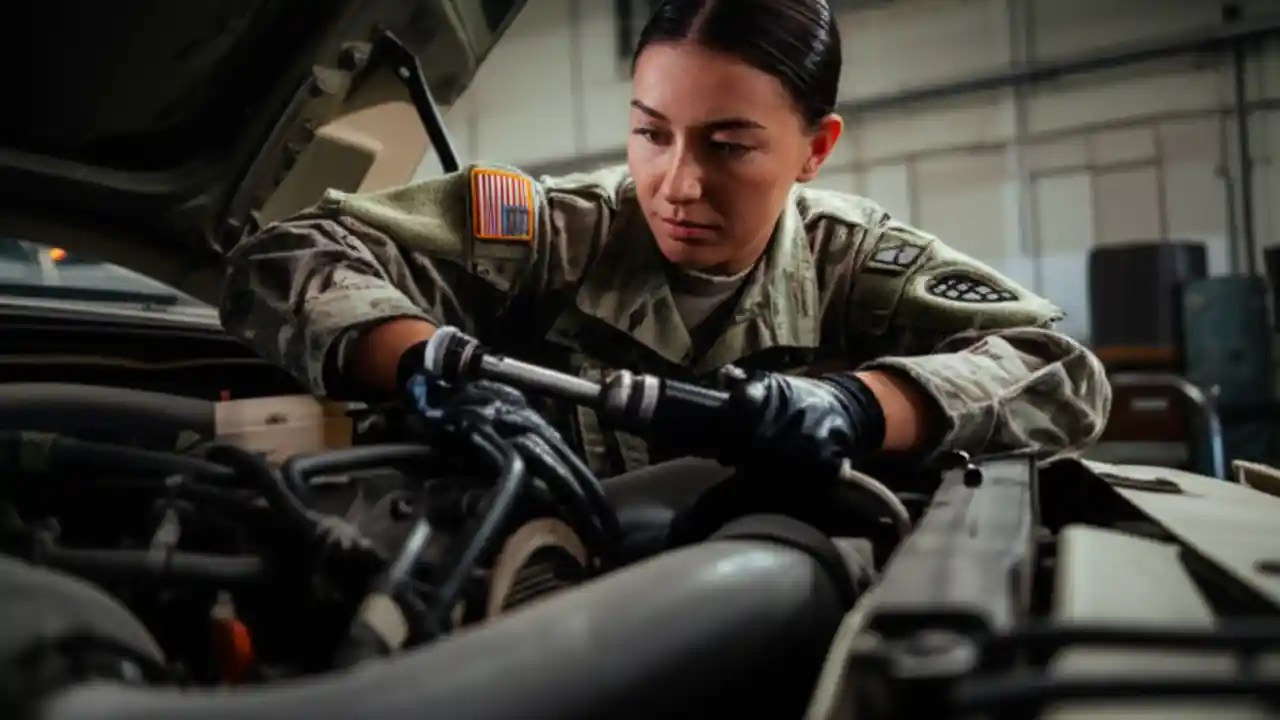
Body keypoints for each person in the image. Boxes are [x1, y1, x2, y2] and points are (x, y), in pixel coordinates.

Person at [219, 0, 1111, 484]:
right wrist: (425, 366)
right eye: (651, 134)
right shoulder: (555, 234)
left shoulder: (854, 263)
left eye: (729, 146)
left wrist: (861, 406)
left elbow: (1061, 373)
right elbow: (283, 258)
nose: (678, 185)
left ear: (816, 147)